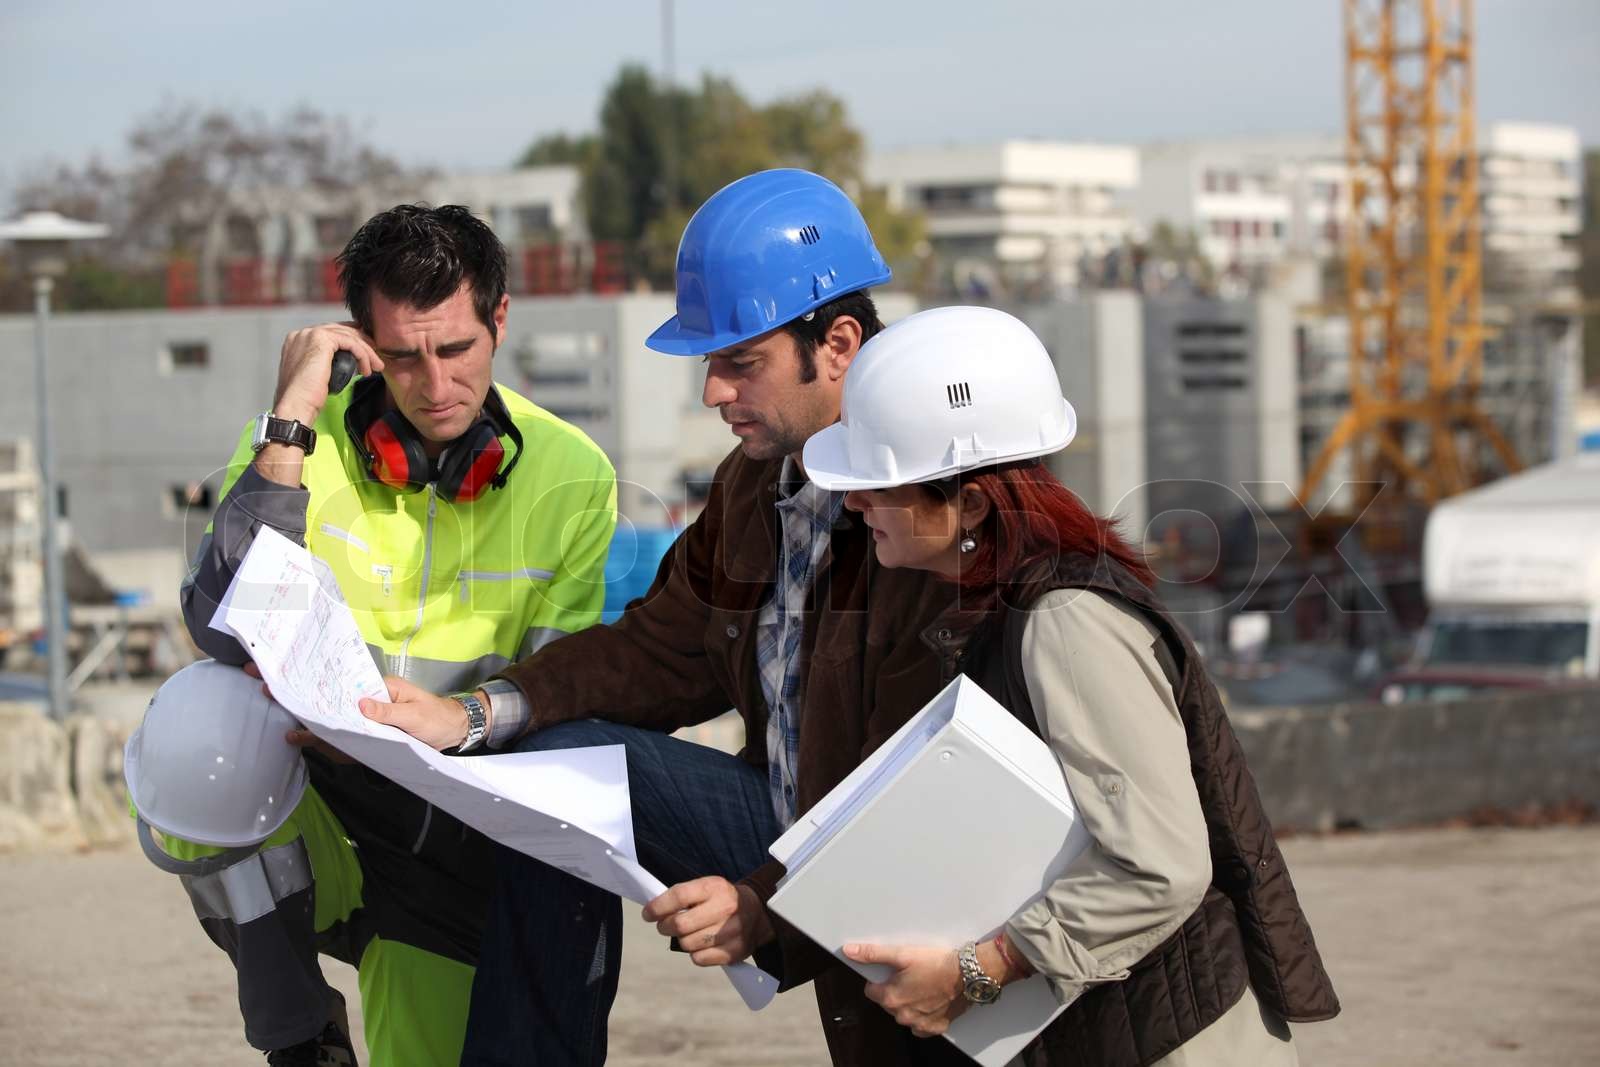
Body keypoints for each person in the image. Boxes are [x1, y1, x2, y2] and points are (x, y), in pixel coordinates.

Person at [360, 169, 958, 1066]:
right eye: (708, 365)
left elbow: (935, 784)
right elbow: (658, 646)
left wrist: (765, 896)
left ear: (837, 345)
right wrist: (478, 713)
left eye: (739, 363)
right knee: (554, 767)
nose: (713, 393)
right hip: (792, 818)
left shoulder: (936, 502)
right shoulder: (755, 483)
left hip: (933, 858)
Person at [796, 305, 1340, 1065]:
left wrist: (976, 973)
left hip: (1172, 1043)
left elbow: (1158, 865)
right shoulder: (1019, 607)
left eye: (880, 486)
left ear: (974, 503)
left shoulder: (1065, 621)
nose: (855, 503)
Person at [160, 204, 617, 1065]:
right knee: (195, 727)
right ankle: (301, 1037)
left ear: (502, 320)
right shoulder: (295, 445)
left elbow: (567, 692)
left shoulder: (575, 471)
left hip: (453, 836)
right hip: (314, 807)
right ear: (359, 342)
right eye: (402, 356)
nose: (434, 384)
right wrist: (290, 415)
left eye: (455, 350)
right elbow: (216, 628)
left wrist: (451, 731)